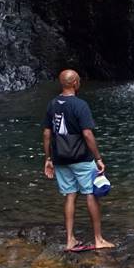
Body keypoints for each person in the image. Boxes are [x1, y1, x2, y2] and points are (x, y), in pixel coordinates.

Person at [43, 69, 114, 253]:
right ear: (75, 83)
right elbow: (87, 133)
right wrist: (98, 158)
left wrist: (48, 158)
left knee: (70, 195)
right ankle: (98, 239)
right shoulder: (80, 105)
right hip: (80, 156)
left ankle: (70, 240)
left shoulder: (52, 104)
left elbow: (46, 133)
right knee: (91, 193)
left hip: (60, 157)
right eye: (79, 80)